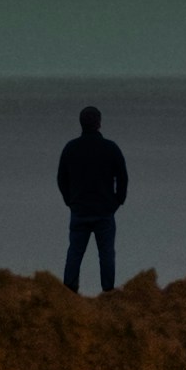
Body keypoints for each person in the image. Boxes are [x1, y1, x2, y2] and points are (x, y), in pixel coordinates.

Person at [59, 105, 129, 291]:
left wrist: (70, 200)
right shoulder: (110, 148)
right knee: (106, 254)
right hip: (104, 211)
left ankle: (69, 291)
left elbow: (61, 178)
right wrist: (117, 201)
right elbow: (123, 177)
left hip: (80, 210)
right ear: (99, 123)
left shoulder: (71, 148)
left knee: (74, 253)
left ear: (81, 123)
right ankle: (108, 292)